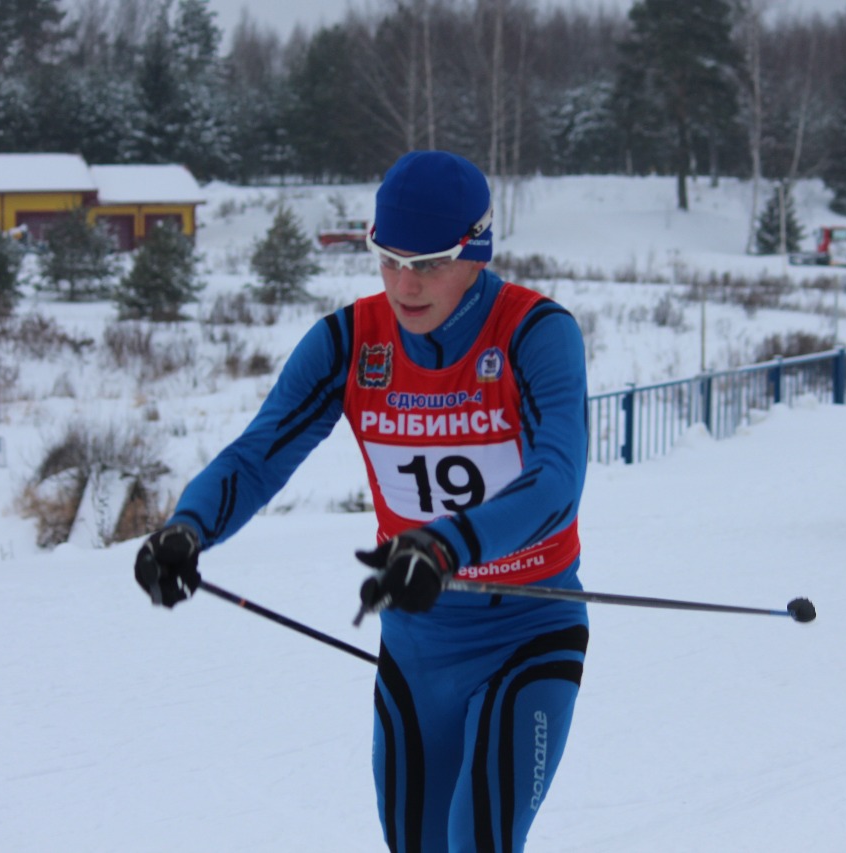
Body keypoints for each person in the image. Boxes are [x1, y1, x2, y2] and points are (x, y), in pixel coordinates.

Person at [133, 150, 591, 853]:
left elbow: (557, 484)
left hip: (527, 631)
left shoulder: (536, 334)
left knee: (479, 840)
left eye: (430, 262)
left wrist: (445, 543)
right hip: (415, 644)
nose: (405, 284)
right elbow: (258, 456)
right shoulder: (349, 342)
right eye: (388, 258)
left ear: (477, 251)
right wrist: (187, 531)